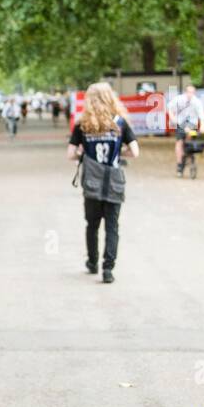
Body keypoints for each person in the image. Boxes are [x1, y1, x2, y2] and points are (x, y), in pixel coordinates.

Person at [68, 81, 139, 283]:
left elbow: (70, 154)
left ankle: (92, 262)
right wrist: (119, 152)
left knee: (92, 224)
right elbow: (135, 152)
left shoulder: (83, 125)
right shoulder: (120, 122)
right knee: (112, 225)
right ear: (110, 98)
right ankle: (108, 269)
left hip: (92, 180)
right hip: (114, 180)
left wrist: (84, 154)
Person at [169, 84, 204, 176]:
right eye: (189, 92)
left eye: (192, 92)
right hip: (180, 123)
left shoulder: (197, 102)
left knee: (190, 139)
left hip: (192, 125)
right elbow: (170, 108)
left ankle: (189, 155)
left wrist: (203, 126)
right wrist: (173, 118)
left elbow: (202, 116)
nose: (190, 94)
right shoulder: (179, 99)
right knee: (179, 143)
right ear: (185, 92)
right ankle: (179, 164)